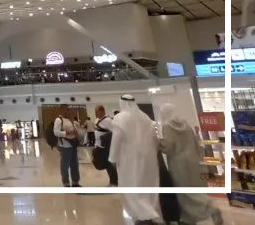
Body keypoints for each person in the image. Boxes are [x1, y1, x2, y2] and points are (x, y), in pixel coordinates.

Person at [158, 103, 223, 225]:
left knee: (185, 192)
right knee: (192, 190)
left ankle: (210, 208)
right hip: (193, 161)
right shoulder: (186, 124)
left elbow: (168, 147)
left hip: (179, 163)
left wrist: (157, 143)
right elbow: (196, 143)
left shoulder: (167, 126)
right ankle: (188, 219)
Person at [109, 94, 161, 224]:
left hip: (129, 159)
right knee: (147, 185)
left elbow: (116, 139)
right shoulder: (145, 117)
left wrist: (113, 158)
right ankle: (149, 215)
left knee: (132, 186)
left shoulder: (120, 117)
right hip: (149, 158)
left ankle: (143, 215)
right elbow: (154, 138)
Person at [53, 109, 81, 187]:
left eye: (68, 110)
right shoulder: (59, 120)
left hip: (73, 145)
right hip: (64, 146)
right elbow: (56, 132)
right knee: (65, 166)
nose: (67, 112)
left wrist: (76, 133)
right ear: (61, 111)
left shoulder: (70, 120)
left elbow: (76, 129)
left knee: (75, 165)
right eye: (65, 110)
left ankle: (75, 182)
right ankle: (66, 183)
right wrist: (67, 133)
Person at [93, 105, 118, 186]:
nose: (95, 114)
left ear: (102, 111)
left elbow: (115, 132)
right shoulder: (97, 120)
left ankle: (114, 182)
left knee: (109, 164)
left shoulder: (108, 120)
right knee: (105, 164)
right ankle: (113, 181)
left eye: (97, 112)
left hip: (106, 147)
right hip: (99, 145)